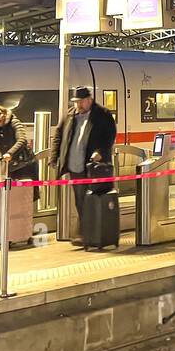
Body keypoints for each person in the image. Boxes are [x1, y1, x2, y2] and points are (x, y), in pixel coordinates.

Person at [50, 86, 117, 241]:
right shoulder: (69, 115)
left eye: (81, 102)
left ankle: (95, 232)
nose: (78, 105)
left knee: (94, 198)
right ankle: (86, 232)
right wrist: (55, 158)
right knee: (81, 200)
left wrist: (100, 151)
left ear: (90, 100)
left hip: (94, 166)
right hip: (75, 166)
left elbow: (110, 136)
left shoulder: (102, 115)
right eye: (75, 102)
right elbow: (59, 136)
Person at [0, 105, 35, 182]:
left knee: (30, 192)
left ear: (5, 114)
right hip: (11, 165)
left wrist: (10, 153)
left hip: (26, 163)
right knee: (12, 191)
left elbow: (21, 140)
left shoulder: (14, 122)